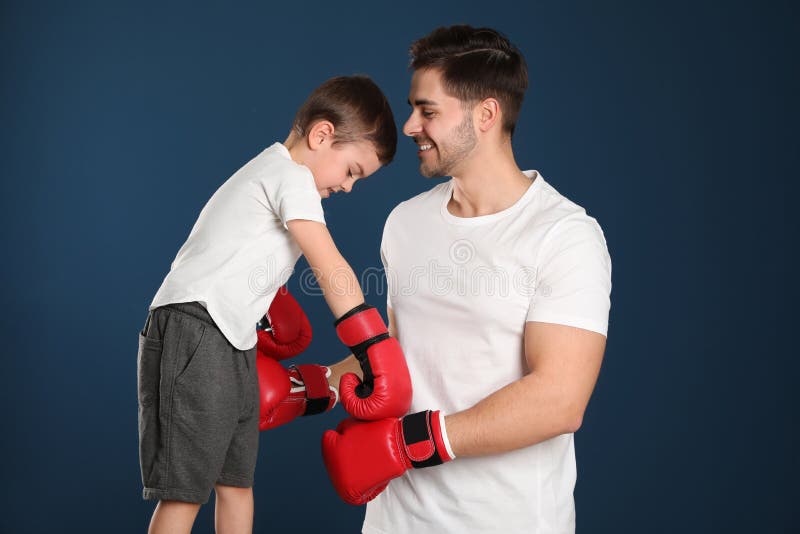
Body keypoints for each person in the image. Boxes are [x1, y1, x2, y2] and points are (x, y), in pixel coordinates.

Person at [322, 26, 612, 533]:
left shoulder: (563, 235)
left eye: (427, 110)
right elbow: (398, 350)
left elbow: (559, 399)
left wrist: (411, 442)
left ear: (486, 115)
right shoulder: (405, 222)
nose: (410, 125)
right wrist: (308, 388)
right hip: (396, 520)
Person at [137, 75, 412, 534]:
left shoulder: (275, 177)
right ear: (322, 135)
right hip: (195, 327)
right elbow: (328, 263)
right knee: (185, 493)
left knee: (236, 483)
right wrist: (373, 343)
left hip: (231, 337)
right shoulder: (288, 176)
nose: (348, 187)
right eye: (351, 171)